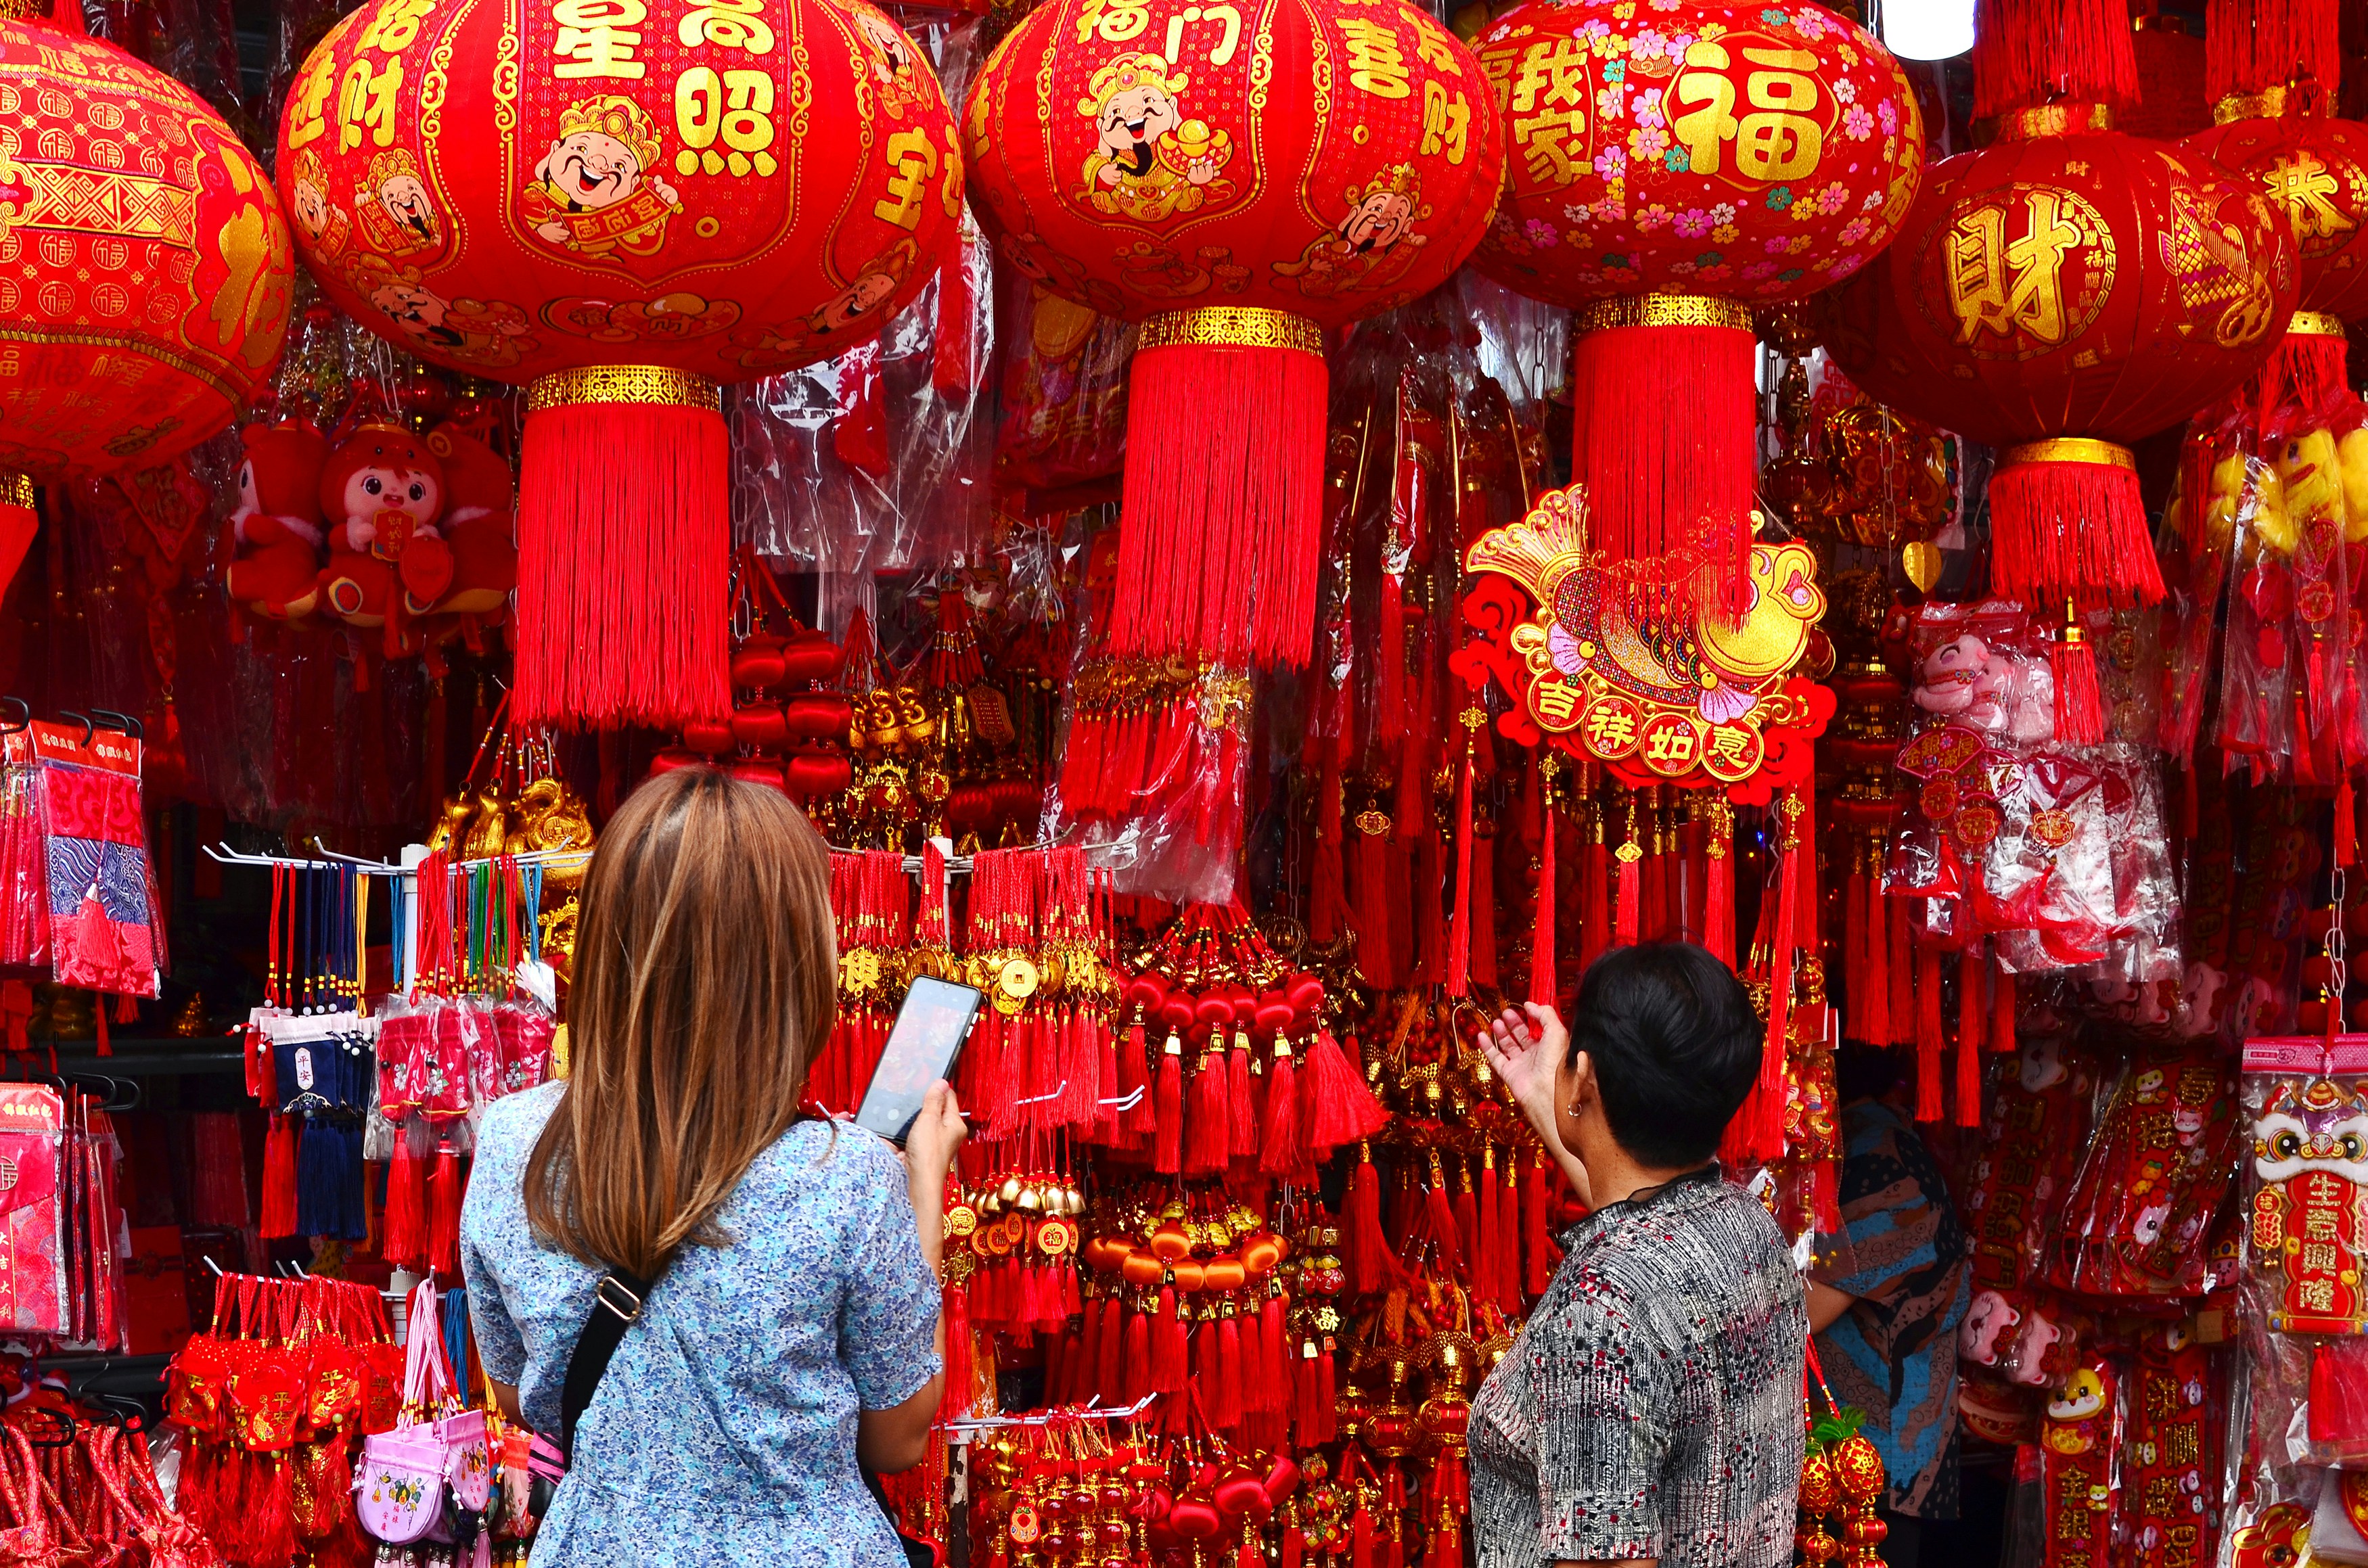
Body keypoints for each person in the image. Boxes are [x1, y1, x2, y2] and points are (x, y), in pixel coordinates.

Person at [460, 767, 965, 1566]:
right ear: (792, 961)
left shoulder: (515, 1146)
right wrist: (922, 1189)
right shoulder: (849, 1177)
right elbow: (898, 1433)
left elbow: (528, 1396)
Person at [1470, 942, 1808, 1568]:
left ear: (1589, 1076)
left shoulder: (1599, 1314)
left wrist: (1575, 1102)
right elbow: (1640, 1220)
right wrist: (1556, 1098)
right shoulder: (1747, 1228)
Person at [1804, 1046, 1971, 1568]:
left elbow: (1800, 1314)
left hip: (1884, 1455)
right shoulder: (1872, 1140)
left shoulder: (1877, 1157)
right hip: (1878, 1447)